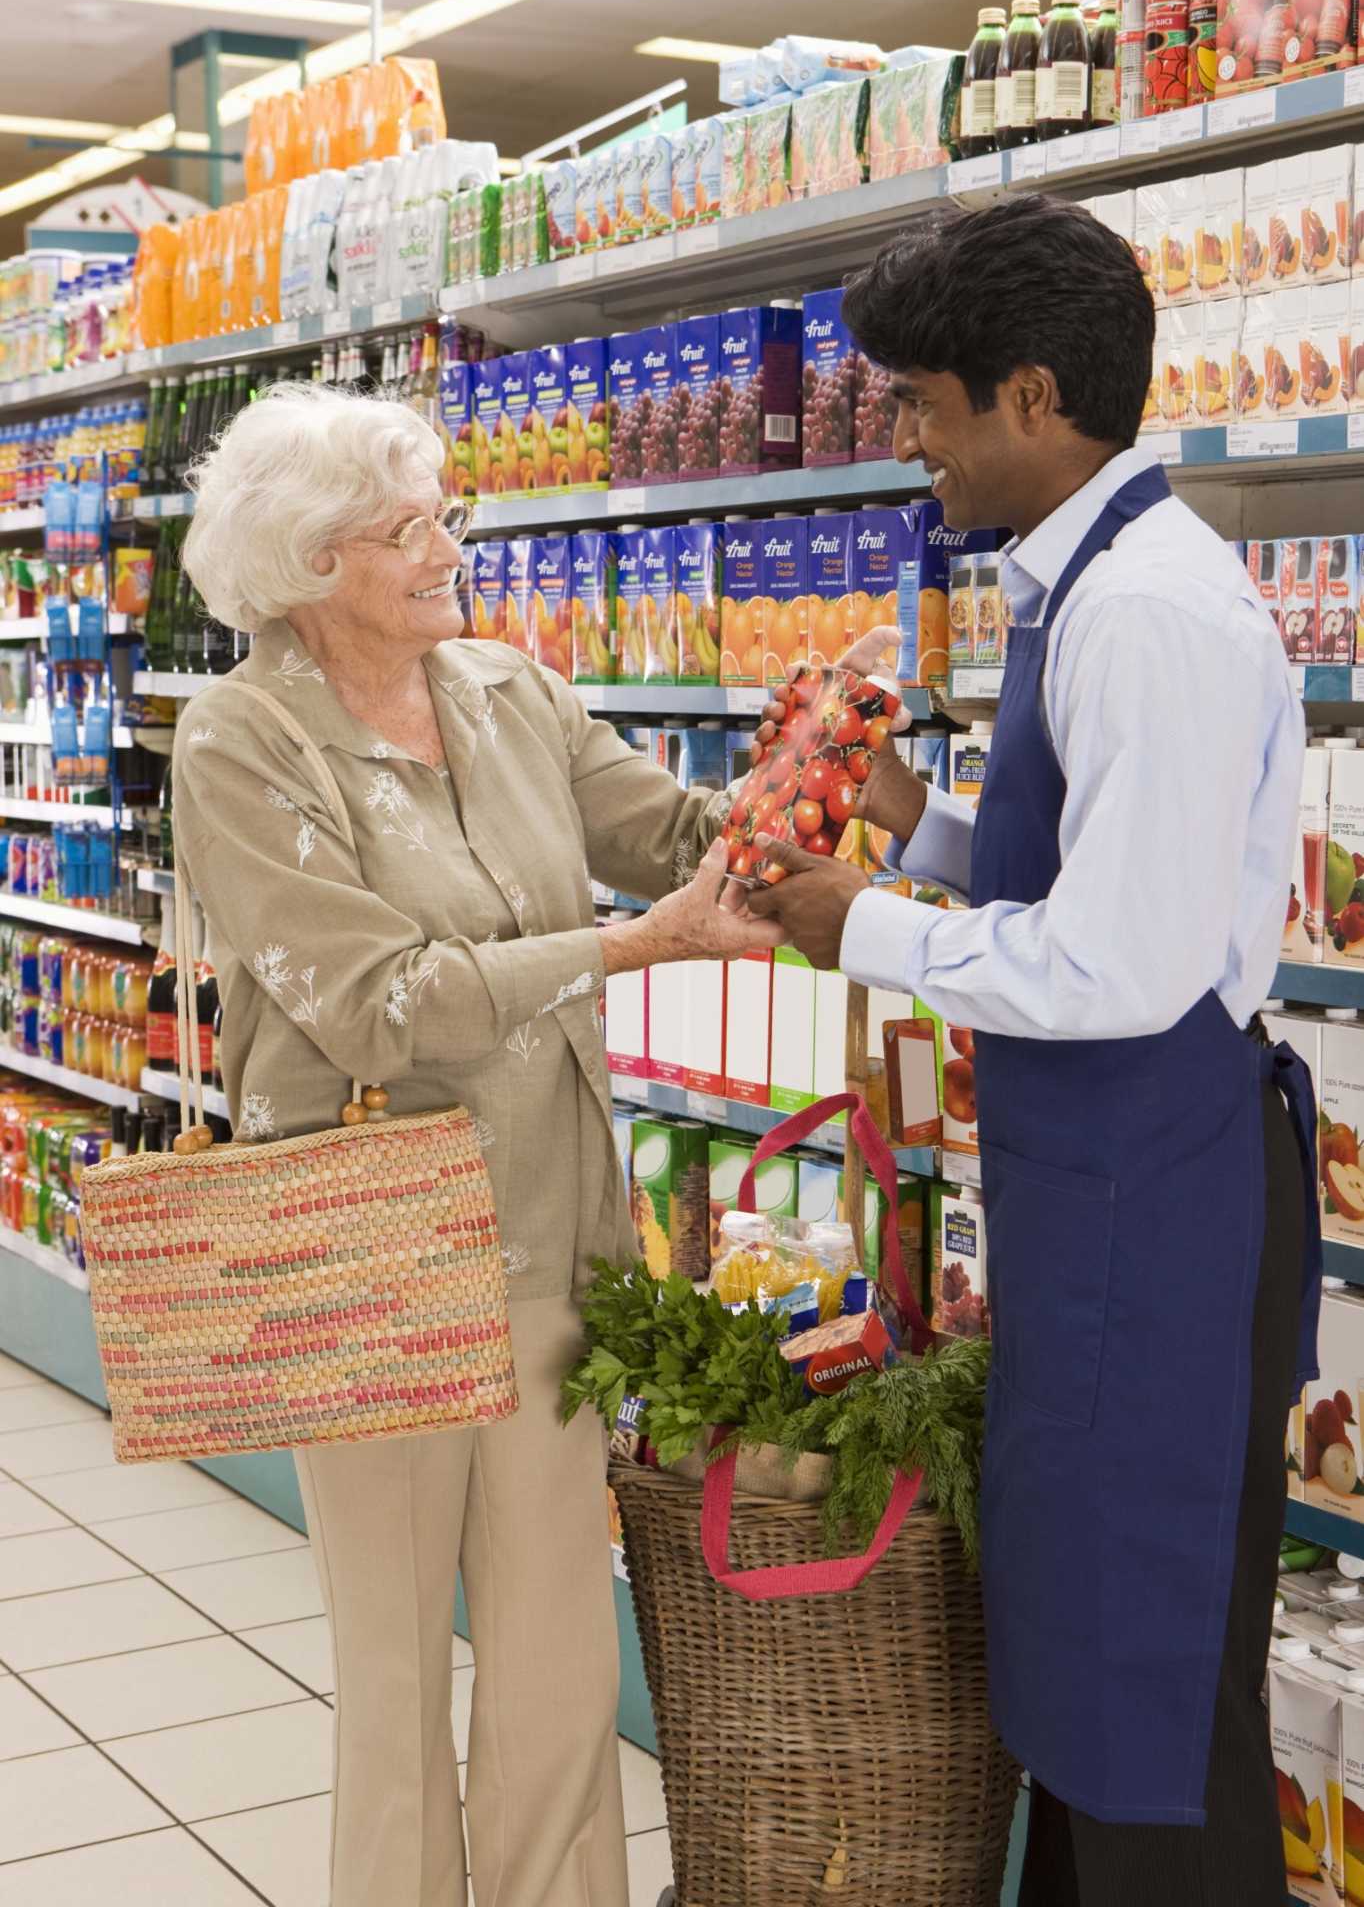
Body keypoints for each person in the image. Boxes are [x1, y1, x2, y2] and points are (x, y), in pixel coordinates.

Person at [751, 194, 1322, 1906]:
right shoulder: (1073, 590)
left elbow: (1120, 961)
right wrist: (913, 828)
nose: (909, 442)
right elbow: (1084, 874)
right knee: (1086, 1659)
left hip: (1164, 1202)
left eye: (924, 405)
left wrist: (863, 929)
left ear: (1033, 395)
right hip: (1111, 1201)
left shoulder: (1144, 612)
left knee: (1143, 1674)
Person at [171, 381, 782, 1907]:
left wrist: (817, 776)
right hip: (369, 1245)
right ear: (310, 568)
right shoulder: (241, 743)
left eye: (445, 513)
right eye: (406, 529)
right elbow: (380, 1005)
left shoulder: (512, 693)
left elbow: (683, 837)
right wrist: (625, 951)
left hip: (550, 1233)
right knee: (392, 1681)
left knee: (561, 1669)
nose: (449, 546)